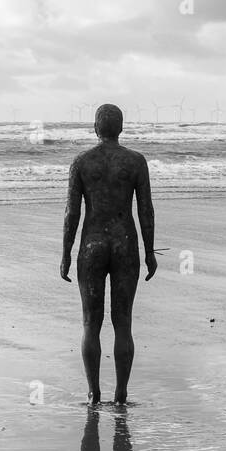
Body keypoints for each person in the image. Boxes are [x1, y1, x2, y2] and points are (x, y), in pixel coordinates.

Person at [59, 103, 157, 406]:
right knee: (123, 323)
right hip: (125, 243)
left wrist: (66, 252)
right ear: (121, 128)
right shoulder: (136, 161)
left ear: (95, 128)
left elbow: (72, 212)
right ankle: (121, 394)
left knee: (91, 323)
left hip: (92, 245)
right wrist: (149, 252)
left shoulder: (82, 162)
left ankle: (94, 393)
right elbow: (146, 210)